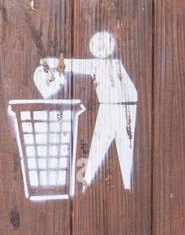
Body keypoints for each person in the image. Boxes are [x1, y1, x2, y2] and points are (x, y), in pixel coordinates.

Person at [35, 31, 138, 190]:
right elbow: (78, 65)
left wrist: (55, 62)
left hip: (119, 106)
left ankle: (117, 184)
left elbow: (78, 65)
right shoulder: (108, 65)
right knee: (110, 146)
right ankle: (114, 184)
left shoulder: (107, 65)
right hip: (118, 105)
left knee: (110, 146)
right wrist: (56, 62)